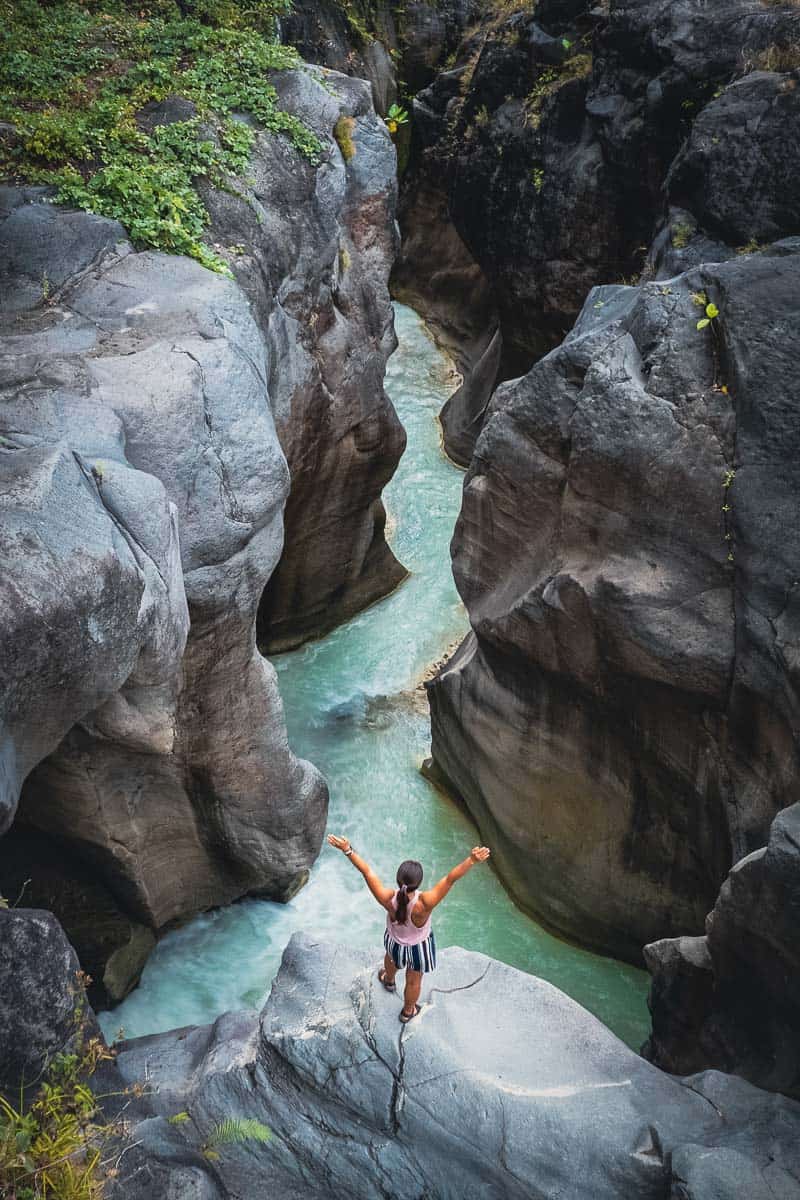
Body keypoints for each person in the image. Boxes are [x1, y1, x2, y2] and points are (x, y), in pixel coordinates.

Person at [327, 834, 491, 1023]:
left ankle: (388, 979)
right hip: (418, 948)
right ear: (419, 883)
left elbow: (367, 872)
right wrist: (471, 859)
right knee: (414, 980)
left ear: (398, 880)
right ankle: (408, 1011)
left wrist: (348, 849)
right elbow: (449, 879)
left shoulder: (387, 897)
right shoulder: (425, 902)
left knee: (391, 958)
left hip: (395, 942)